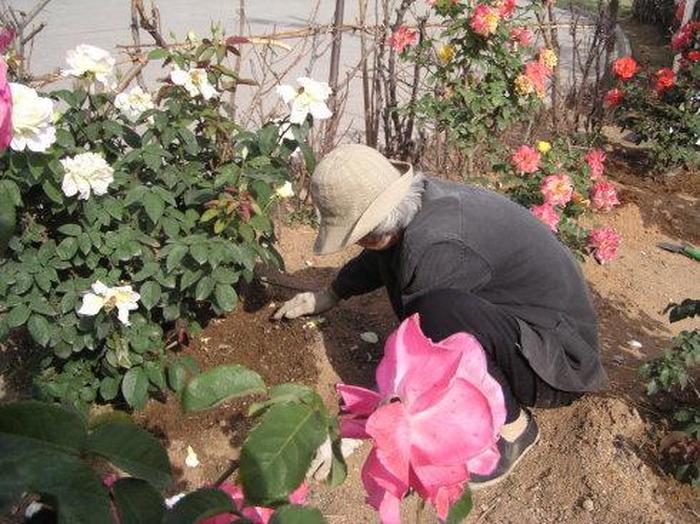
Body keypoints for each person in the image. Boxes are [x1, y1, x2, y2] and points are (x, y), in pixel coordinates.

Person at [274, 144, 607, 488]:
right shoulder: (416, 204)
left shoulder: (434, 246)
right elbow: (377, 256)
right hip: (529, 323)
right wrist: (331, 293)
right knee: (436, 309)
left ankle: (516, 427)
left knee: (436, 313)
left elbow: (421, 353)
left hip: (558, 363)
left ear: (372, 235)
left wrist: (353, 430)